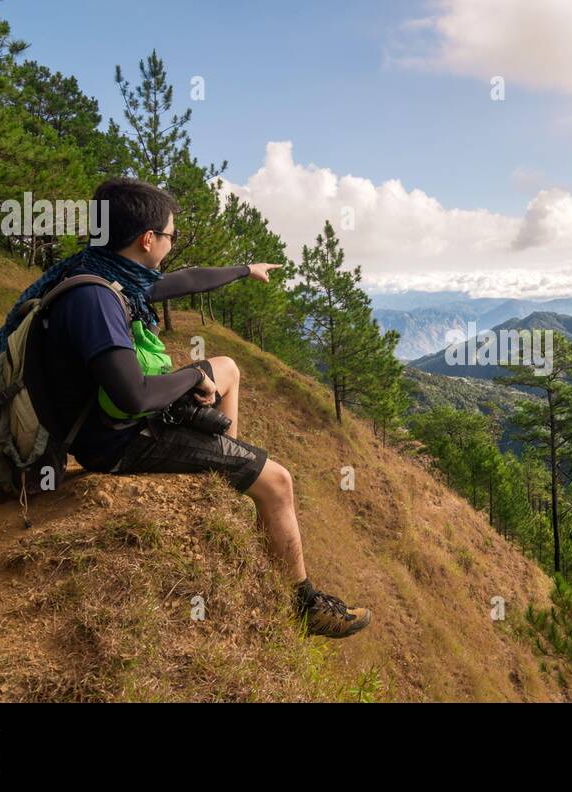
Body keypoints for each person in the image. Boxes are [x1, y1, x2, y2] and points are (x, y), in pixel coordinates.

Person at [31, 177, 370, 639]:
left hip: (113, 413)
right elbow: (133, 396)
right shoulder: (96, 301)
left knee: (227, 367)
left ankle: (226, 466)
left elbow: (183, 282)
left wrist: (245, 269)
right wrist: (191, 378)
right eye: (170, 235)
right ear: (147, 239)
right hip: (112, 440)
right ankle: (303, 605)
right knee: (278, 481)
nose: (171, 244)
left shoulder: (108, 274)